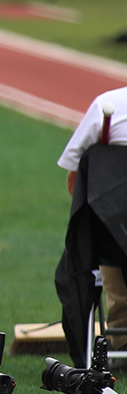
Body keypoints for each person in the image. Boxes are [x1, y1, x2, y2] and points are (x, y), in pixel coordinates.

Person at [57, 88, 127, 363]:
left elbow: (75, 180)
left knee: (98, 234)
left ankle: (119, 341)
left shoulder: (108, 105)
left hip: (110, 242)